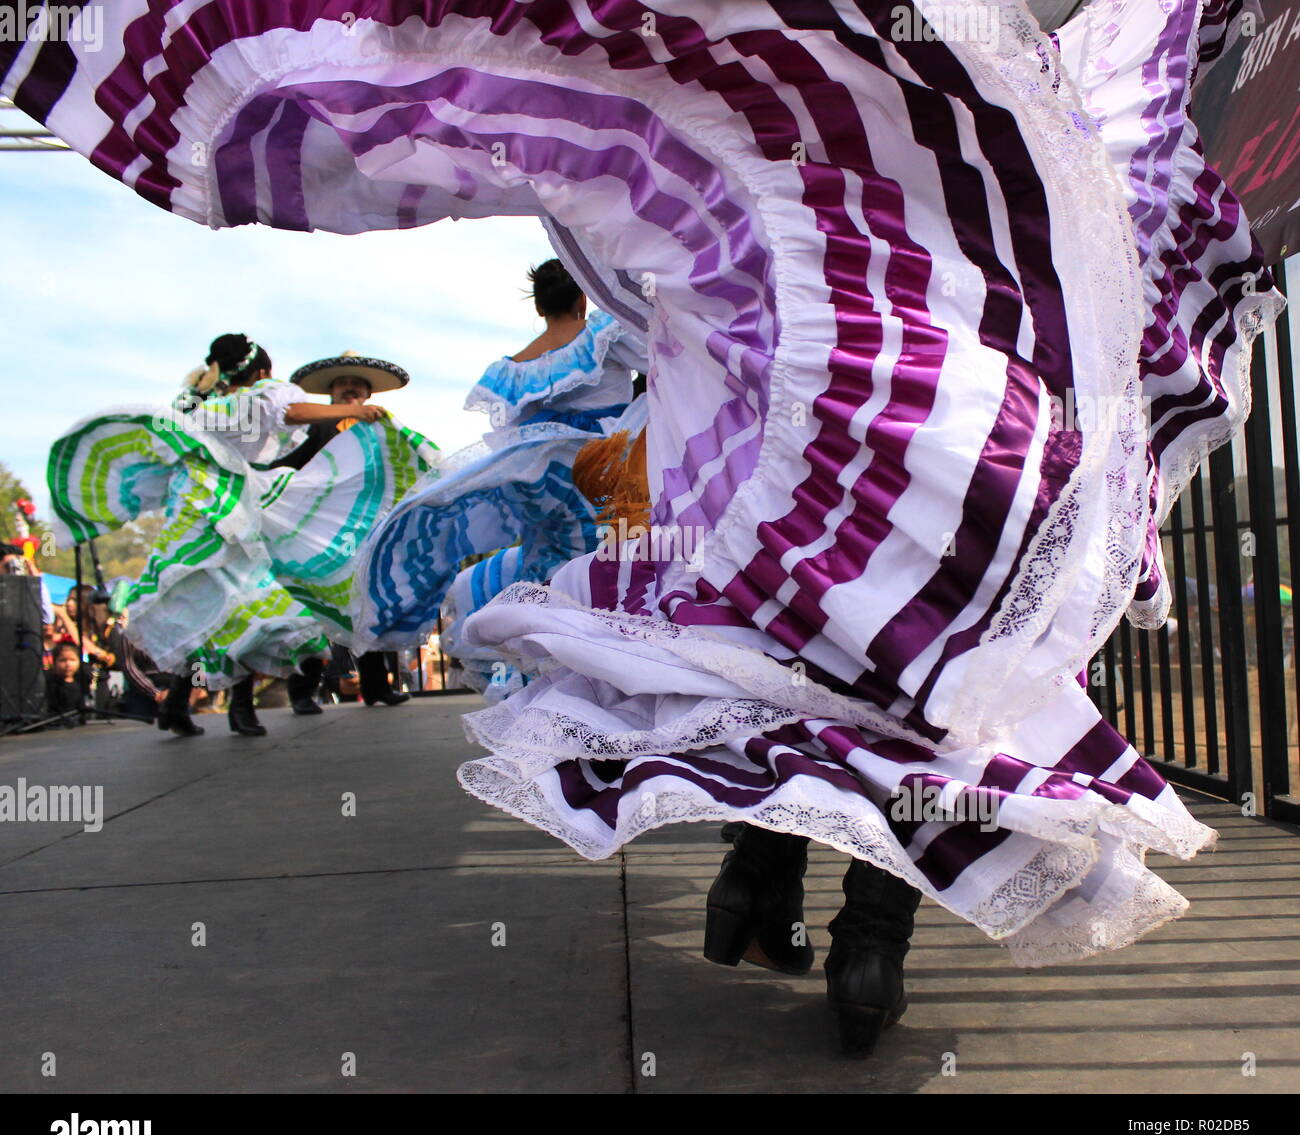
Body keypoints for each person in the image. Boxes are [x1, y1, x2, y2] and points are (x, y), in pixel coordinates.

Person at [15, 0, 1283, 1061]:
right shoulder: (955, 172)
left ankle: (759, 873)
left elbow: (592, 161)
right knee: (931, 686)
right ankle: (867, 945)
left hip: (733, 440)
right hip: (949, 427)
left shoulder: (718, 194)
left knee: (780, 653)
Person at [46, 334, 438, 740]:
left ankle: (180, 704)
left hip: (195, 508)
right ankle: (236, 707)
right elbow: (287, 409)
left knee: (214, 608)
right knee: (246, 606)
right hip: (222, 508)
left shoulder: (200, 405)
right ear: (263, 371)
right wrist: (356, 411)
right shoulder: (253, 397)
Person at [351, 259, 647, 697]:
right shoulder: (603, 335)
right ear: (583, 295)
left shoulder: (513, 369)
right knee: (613, 564)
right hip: (600, 469)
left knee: (553, 569)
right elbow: (662, 362)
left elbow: (514, 437)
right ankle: (615, 679)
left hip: (544, 482)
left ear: (538, 304)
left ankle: (556, 685)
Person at [273, 351, 416, 712]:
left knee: (366, 603)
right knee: (311, 609)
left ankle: (376, 686)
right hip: (317, 534)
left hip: (366, 532)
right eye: (343, 385)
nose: (350, 390)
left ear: (368, 395)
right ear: (330, 393)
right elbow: (283, 468)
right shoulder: (312, 428)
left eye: (358, 386)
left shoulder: (382, 429)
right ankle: (303, 689)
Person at [44, 642, 87, 725]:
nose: (68, 664)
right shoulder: (52, 684)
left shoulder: (80, 682)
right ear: (54, 662)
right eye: (62, 660)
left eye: (72, 660)